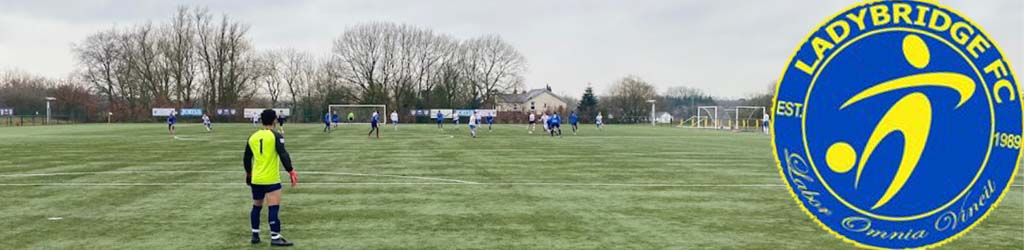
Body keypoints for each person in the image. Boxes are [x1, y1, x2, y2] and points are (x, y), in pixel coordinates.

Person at [243, 109, 298, 246]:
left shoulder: (252, 137)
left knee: (256, 206)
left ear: (261, 120)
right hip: (271, 179)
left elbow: (246, 158)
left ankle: (255, 235)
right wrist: (290, 171)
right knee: (273, 207)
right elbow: (283, 154)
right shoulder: (276, 136)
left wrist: (249, 173)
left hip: (256, 179)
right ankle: (275, 237)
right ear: (274, 120)